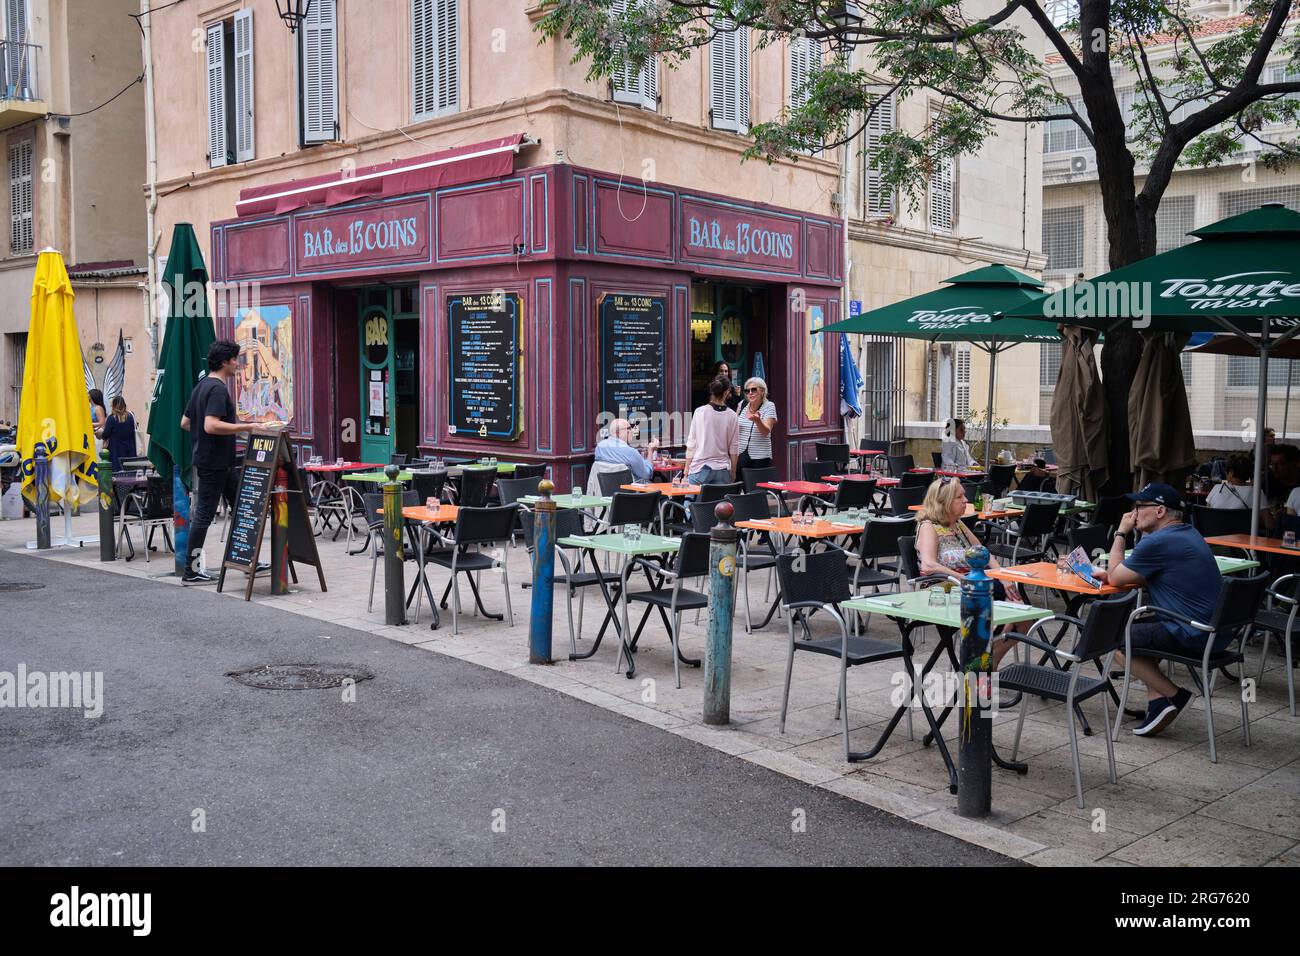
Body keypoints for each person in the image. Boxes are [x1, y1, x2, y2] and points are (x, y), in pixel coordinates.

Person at [1099, 483, 1222, 737]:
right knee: (1140, 628)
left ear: (1160, 511)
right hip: (1215, 630)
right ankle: (1157, 702)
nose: (1133, 512)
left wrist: (1121, 533)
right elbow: (1162, 575)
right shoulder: (1188, 533)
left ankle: (1173, 695)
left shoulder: (1159, 541)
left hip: (1193, 633)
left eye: (1139, 506)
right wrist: (1117, 574)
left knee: (1112, 637)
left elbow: (1115, 579)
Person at [915, 477, 1029, 660]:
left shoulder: (958, 524)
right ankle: (980, 661)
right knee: (1007, 608)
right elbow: (928, 565)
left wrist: (1003, 577)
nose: (966, 500)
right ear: (944, 502)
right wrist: (962, 579)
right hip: (943, 589)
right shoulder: (929, 526)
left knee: (1023, 612)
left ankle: (993, 657)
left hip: (971, 585)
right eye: (959, 497)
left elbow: (982, 552)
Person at [179, 340, 260, 584]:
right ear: (225, 361)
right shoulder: (217, 389)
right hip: (215, 463)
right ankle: (191, 571)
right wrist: (248, 426)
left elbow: (185, 422)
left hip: (218, 462)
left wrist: (205, 436)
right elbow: (210, 424)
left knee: (241, 509)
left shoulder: (201, 386)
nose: (238, 363)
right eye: (235, 359)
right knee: (204, 515)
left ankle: (246, 560)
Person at [683, 376, 739, 486]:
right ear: (727, 392)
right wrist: (733, 471)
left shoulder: (700, 412)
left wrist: (686, 469)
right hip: (723, 470)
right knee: (719, 503)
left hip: (700, 469)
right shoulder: (732, 416)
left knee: (691, 503)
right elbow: (734, 447)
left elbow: (691, 444)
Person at [593, 417, 658, 483]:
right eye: (629, 428)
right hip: (633, 491)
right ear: (618, 433)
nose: (632, 431)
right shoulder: (630, 452)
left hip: (606, 491)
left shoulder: (599, 447)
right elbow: (647, 475)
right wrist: (650, 451)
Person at [736, 377, 777, 477]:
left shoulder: (769, 406)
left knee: (756, 490)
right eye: (747, 391)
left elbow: (766, 431)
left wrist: (757, 421)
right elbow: (735, 424)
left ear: (762, 391)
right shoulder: (742, 404)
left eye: (754, 390)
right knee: (739, 486)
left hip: (760, 457)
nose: (750, 393)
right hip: (741, 454)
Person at [99, 396, 137, 473]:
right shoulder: (130, 416)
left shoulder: (112, 418)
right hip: (130, 450)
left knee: (117, 474)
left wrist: (100, 433)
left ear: (114, 405)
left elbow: (106, 434)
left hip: (116, 451)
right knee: (129, 473)